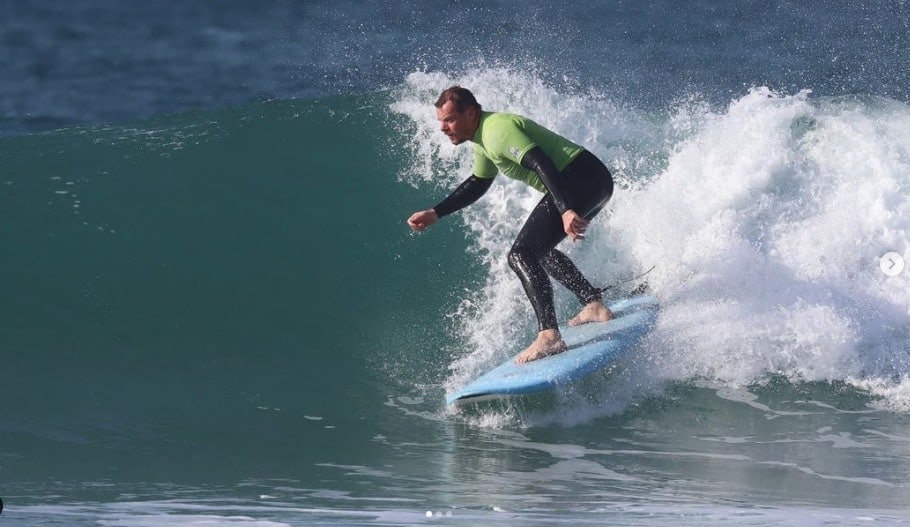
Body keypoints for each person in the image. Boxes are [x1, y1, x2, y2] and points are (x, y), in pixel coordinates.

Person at [407, 86, 615, 364]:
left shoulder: (496, 131)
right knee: (538, 250)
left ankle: (549, 336)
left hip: (580, 178)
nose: (444, 128)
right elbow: (479, 182)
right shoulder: (482, 138)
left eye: (449, 120)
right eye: (441, 122)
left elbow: (540, 162)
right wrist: (437, 212)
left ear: (470, 113)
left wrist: (566, 210)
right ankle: (592, 303)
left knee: (521, 254)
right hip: (591, 178)